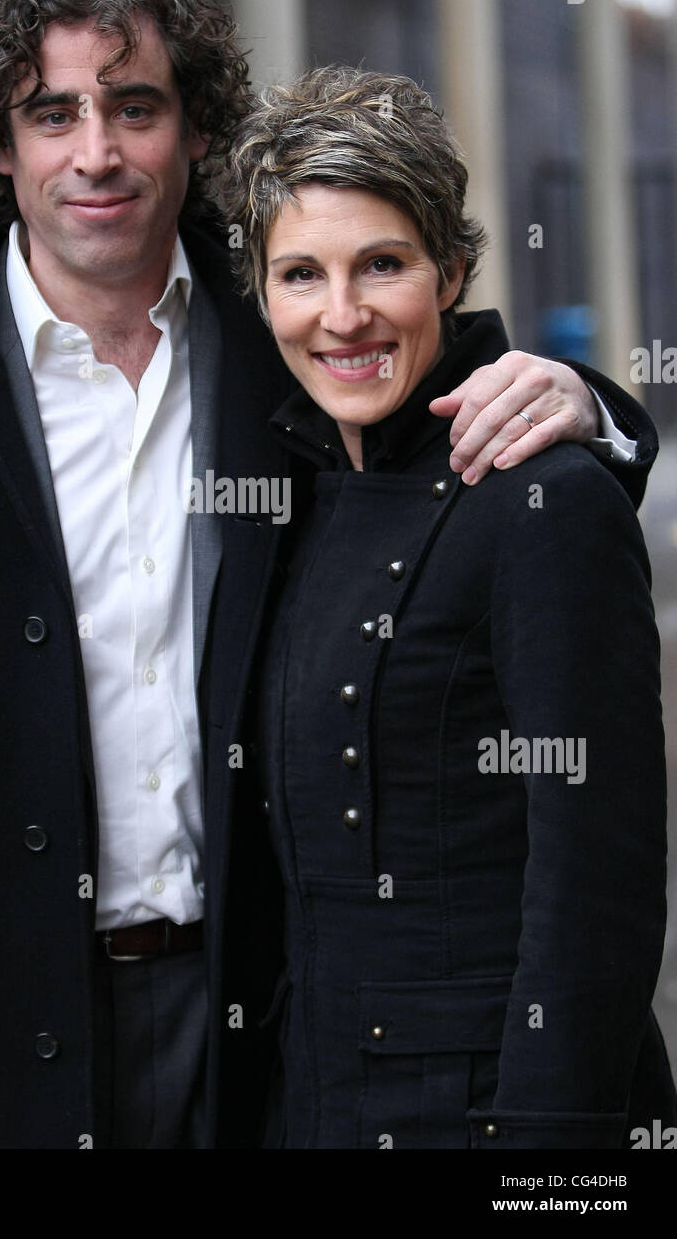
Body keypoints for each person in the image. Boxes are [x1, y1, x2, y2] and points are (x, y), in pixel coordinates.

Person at [0, 0, 658, 1150]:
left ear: (196, 128)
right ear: (0, 145)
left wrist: (597, 412)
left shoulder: (295, 339)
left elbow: (448, 401)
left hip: (263, 1035)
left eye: (135, 105)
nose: (96, 152)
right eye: (51, 112)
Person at [209, 66, 677, 1149]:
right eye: (299, 274)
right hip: (312, 1105)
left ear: (452, 268)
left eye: (383, 264)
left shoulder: (546, 498)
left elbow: (595, 895)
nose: (342, 314)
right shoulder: (293, 494)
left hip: (493, 1120)